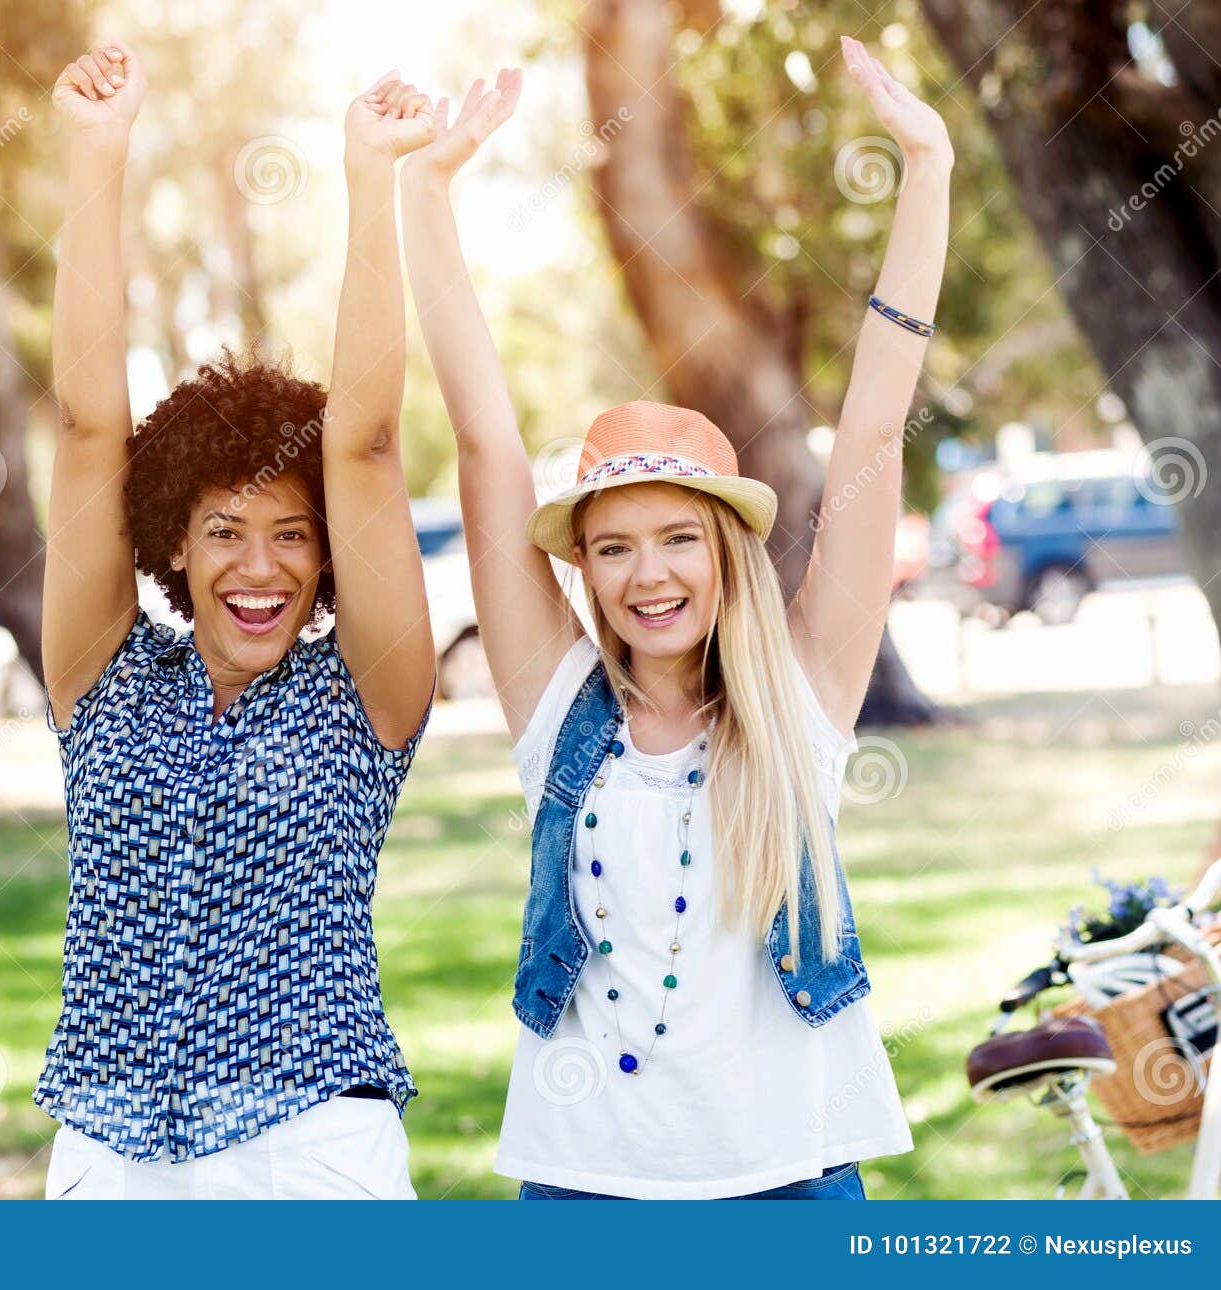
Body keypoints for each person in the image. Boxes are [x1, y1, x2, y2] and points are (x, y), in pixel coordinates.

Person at [399, 39, 950, 1199]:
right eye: (612, 547)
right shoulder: (556, 709)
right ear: (585, 571)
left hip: (789, 1180)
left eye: (677, 538)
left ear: (726, 551)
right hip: (585, 1185)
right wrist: (425, 193)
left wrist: (928, 169)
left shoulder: (801, 699)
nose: (647, 575)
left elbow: (869, 427)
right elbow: (486, 441)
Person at [37, 44, 437, 1199]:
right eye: (224, 530)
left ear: (327, 556)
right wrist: (97, 153)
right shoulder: (102, 682)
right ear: (171, 539)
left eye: (293, 534)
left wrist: (371, 175)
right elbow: (85, 430)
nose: (259, 568)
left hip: (309, 1150)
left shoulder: (365, 701)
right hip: (109, 1155)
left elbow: (365, 443)